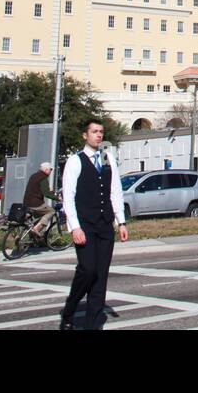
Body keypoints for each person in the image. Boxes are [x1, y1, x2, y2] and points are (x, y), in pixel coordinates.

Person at [59, 120, 127, 330]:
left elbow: (115, 191)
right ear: (85, 135)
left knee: (100, 276)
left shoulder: (108, 160)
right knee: (87, 270)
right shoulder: (75, 161)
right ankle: (70, 309)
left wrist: (121, 221)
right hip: (85, 225)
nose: (98, 135)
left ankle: (92, 325)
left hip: (105, 225)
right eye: (94, 131)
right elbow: (68, 197)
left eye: (101, 132)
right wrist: (75, 227)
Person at [22, 162, 55, 237]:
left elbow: (37, 189)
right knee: (51, 211)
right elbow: (47, 194)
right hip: (35, 203)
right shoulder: (43, 177)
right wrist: (58, 198)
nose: (51, 171)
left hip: (26, 202)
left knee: (39, 216)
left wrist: (48, 190)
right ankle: (36, 228)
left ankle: (32, 236)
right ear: (46, 169)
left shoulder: (34, 175)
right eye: (51, 169)